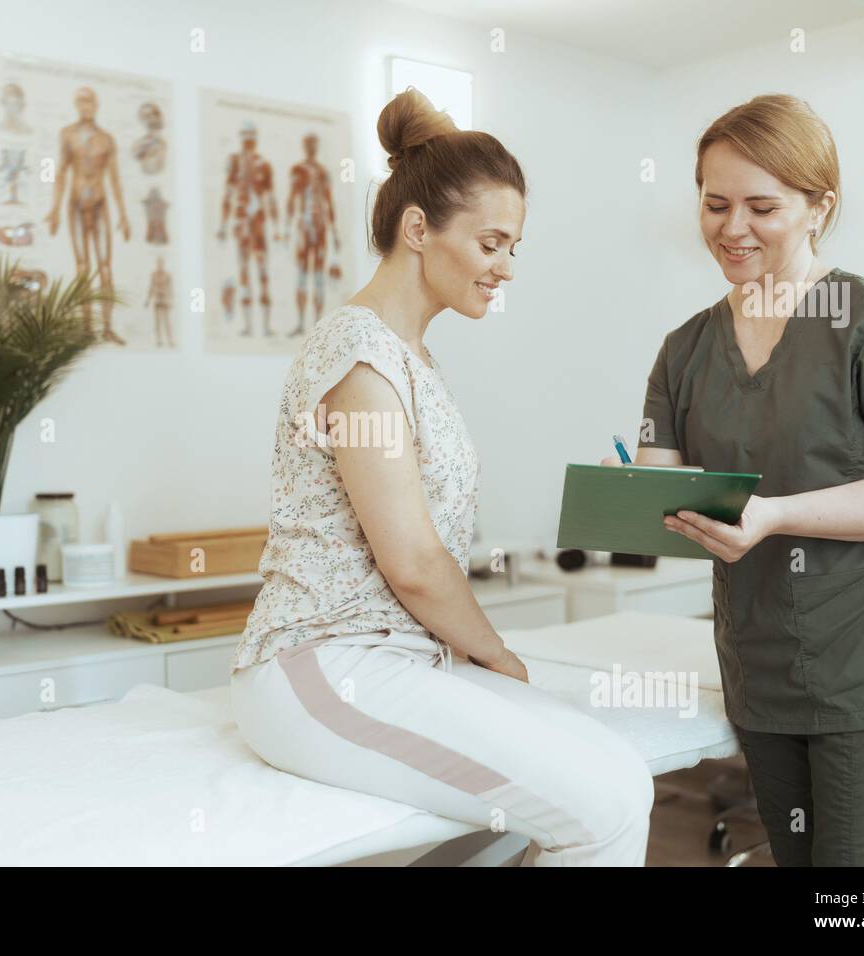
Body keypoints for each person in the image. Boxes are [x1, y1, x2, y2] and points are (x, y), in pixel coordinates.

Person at [229, 87, 654, 867]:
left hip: (400, 659)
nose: (506, 269)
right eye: (492, 243)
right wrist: (497, 655)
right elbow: (415, 562)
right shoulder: (360, 355)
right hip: (323, 665)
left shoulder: (409, 355)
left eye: (514, 247)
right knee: (605, 807)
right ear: (417, 229)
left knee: (622, 774)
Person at [618, 94, 864, 866]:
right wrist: (635, 503)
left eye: (761, 206)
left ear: (820, 208)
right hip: (762, 665)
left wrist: (773, 515)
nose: (731, 227)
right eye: (715, 203)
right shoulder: (684, 350)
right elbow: (662, 493)